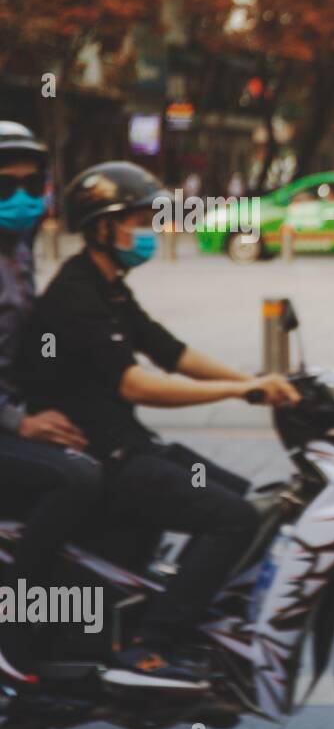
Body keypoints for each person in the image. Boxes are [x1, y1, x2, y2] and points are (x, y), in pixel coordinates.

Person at [22, 161, 299, 689]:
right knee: (233, 517)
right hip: (105, 459)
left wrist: (256, 380)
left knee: (252, 500)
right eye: (136, 221)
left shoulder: (112, 289)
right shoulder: (75, 295)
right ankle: (155, 646)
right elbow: (138, 385)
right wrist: (239, 391)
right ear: (102, 228)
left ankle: (197, 628)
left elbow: (171, 353)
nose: (147, 231)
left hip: (131, 448)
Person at [0, 123, 103, 687]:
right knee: (74, 480)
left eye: (29, 183)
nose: (19, 197)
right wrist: (23, 422)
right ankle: (14, 632)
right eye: (3, 185)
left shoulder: (19, 251)